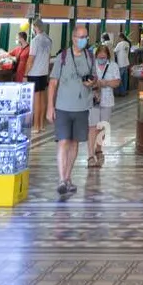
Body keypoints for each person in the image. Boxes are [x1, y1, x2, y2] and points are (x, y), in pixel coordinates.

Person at [47, 24, 99, 196]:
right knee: (63, 141)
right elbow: (53, 83)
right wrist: (50, 107)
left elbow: (95, 79)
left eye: (86, 37)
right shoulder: (62, 57)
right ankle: (61, 179)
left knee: (75, 142)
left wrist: (92, 83)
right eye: (81, 37)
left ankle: (68, 177)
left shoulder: (90, 56)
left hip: (82, 106)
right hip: (63, 106)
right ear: (73, 38)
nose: (84, 40)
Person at [87, 41, 121, 167]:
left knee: (103, 126)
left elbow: (117, 82)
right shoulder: (91, 65)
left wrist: (105, 83)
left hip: (107, 99)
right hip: (93, 99)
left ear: (107, 57)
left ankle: (99, 149)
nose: (101, 60)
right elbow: (86, 80)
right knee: (92, 127)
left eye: (104, 57)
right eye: (99, 57)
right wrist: (95, 85)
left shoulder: (113, 66)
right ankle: (90, 154)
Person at [26, 21, 53, 132]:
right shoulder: (48, 40)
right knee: (42, 99)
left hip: (35, 73)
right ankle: (41, 124)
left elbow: (31, 59)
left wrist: (25, 73)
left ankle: (35, 126)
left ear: (36, 27)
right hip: (44, 73)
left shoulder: (35, 40)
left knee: (36, 100)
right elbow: (48, 56)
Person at [113, 30, 131, 95]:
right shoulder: (127, 43)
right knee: (125, 78)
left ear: (120, 37)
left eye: (118, 37)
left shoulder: (120, 44)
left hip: (121, 63)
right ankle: (125, 90)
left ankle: (122, 92)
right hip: (126, 62)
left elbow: (114, 51)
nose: (118, 39)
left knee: (119, 78)